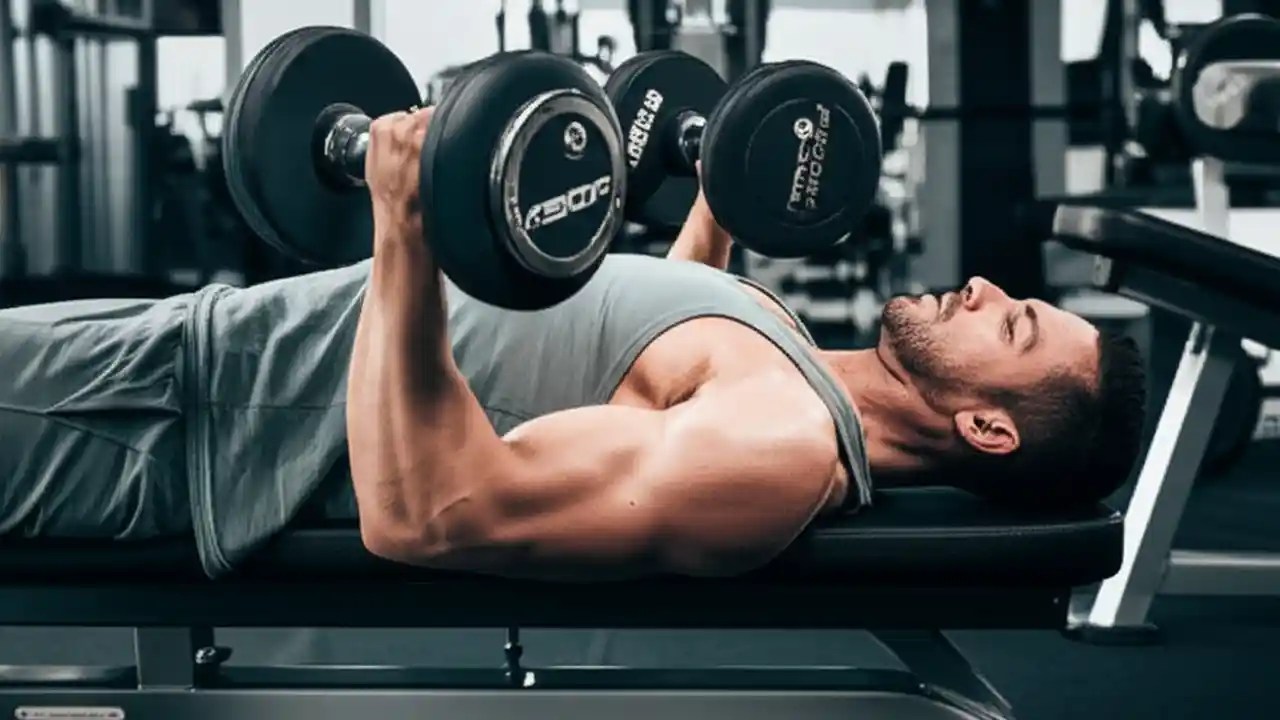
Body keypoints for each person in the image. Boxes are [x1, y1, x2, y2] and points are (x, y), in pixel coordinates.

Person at [0, 107, 1146, 581]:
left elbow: (434, 515)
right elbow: (639, 348)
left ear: (986, 427)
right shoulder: (797, 373)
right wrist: (718, 199)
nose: (993, 287)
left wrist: (403, 225)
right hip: (187, 350)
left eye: (1015, 325)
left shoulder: (781, 447)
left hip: (164, 426)